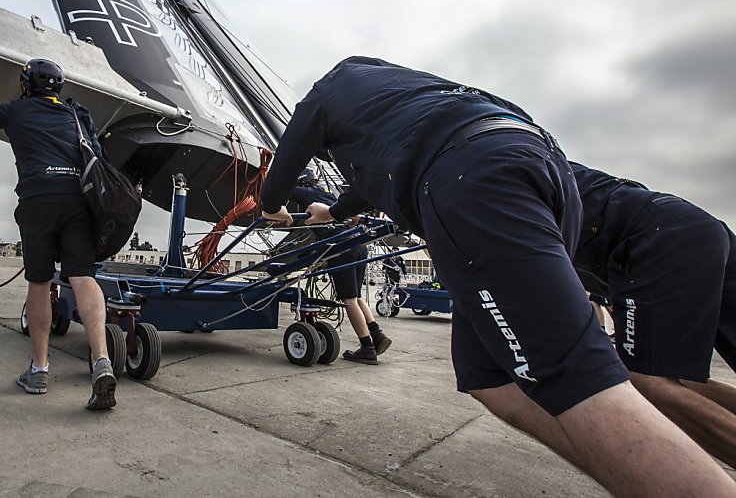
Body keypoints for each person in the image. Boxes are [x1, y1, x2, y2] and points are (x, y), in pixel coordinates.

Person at [258, 56, 735, 496]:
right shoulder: (414, 102)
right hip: (542, 169)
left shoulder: (330, 87)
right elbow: (361, 193)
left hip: (469, 182)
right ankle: (630, 465)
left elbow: (289, 154)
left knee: (584, 380)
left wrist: (272, 205)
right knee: (488, 377)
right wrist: (334, 210)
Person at [0, 58, 116, 411]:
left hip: (38, 199)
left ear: (27, 85)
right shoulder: (76, 115)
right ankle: (101, 360)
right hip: (77, 199)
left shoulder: (16, 111)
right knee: (83, 276)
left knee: (39, 282)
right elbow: (97, 153)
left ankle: (39, 370)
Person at [571, 161, 736, 466]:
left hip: (655, 238)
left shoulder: (488, 177)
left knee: (643, 379)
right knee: (677, 381)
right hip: (696, 227)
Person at [286, 167, 391, 363]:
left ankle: (366, 346)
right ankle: (377, 335)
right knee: (357, 296)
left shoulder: (305, 192)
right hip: (358, 245)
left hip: (341, 248)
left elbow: (286, 188)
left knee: (348, 299)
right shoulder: (329, 193)